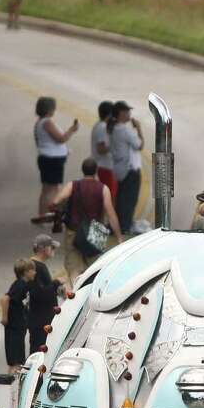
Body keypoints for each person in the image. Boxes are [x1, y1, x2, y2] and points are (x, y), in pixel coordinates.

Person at [52, 158, 123, 285]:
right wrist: (119, 237)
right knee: (95, 268)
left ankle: (75, 294)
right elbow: (111, 214)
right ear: (96, 171)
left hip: (73, 231)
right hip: (95, 232)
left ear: (82, 170)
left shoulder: (73, 185)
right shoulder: (103, 189)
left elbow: (56, 201)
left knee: (74, 269)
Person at [33, 97, 79, 216]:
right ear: (49, 109)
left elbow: (44, 142)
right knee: (52, 190)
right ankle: (48, 215)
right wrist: (72, 130)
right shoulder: (47, 122)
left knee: (47, 189)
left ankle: (42, 214)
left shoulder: (39, 122)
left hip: (48, 158)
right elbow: (61, 138)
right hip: (52, 160)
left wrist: (63, 151)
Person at [107, 101, 144, 236]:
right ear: (121, 113)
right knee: (129, 200)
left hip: (119, 168)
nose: (130, 114)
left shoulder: (112, 128)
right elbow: (139, 145)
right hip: (130, 170)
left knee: (122, 199)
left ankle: (118, 224)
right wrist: (138, 128)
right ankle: (124, 226)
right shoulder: (124, 130)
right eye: (127, 111)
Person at [28, 235, 65, 352]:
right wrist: (56, 282)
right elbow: (39, 293)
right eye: (52, 247)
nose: (53, 250)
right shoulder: (35, 267)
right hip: (41, 320)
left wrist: (57, 289)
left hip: (43, 318)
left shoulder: (38, 266)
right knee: (38, 353)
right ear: (43, 249)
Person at [1, 259, 35, 374]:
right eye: (32, 270)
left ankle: (12, 384)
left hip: (18, 327)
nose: (34, 272)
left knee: (17, 361)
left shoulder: (23, 284)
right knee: (16, 362)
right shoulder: (20, 285)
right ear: (25, 272)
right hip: (14, 327)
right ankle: (12, 387)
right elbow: (5, 299)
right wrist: (5, 318)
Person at [89, 100, 117, 199]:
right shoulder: (102, 128)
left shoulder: (100, 125)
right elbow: (101, 149)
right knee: (108, 197)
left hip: (105, 167)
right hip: (105, 167)